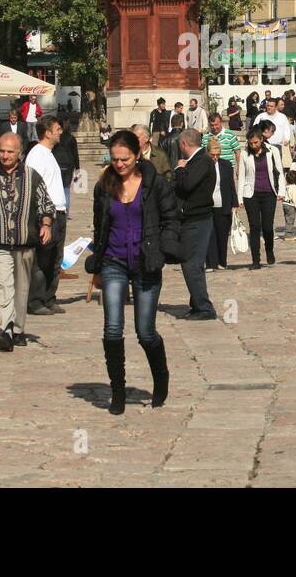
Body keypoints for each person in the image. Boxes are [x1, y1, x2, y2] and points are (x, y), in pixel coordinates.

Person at [86, 130, 180, 414]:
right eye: (114, 159)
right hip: (114, 260)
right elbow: (99, 225)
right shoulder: (104, 186)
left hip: (145, 261)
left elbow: (171, 218)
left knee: (145, 331)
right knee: (112, 328)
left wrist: (163, 247)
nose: (119, 164)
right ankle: (117, 390)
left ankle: (160, 377)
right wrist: (98, 262)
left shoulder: (154, 183)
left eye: (124, 158)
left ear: (137, 155)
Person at [0, 132, 55, 351]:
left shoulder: (32, 176)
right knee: (4, 286)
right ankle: (6, 330)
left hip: (25, 242)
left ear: (19, 153)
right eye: (1, 151)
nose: (5, 156)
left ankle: (18, 329)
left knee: (21, 288)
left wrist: (45, 224)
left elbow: (46, 204)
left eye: (10, 152)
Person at [25, 115, 69, 316]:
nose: (60, 132)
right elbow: (33, 187)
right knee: (43, 259)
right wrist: (44, 217)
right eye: (57, 129)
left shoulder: (50, 153)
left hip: (59, 212)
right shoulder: (37, 154)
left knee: (55, 259)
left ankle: (50, 297)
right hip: (47, 215)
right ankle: (35, 300)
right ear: (48, 132)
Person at [172, 129, 217, 319]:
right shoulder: (197, 161)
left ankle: (204, 308)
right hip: (191, 218)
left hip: (198, 220)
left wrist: (180, 169)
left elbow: (188, 184)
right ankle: (197, 302)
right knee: (191, 264)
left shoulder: (203, 161)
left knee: (192, 264)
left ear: (184, 144)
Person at [237, 127, 283, 269]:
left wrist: (281, 190)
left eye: (256, 142)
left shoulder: (272, 151)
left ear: (262, 139)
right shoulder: (245, 154)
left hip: (269, 192)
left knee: (268, 226)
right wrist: (239, 198)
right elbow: (242, 176)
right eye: (251, 143)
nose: (254, 146)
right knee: (254, 226)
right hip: (251, 194)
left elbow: (279, 172)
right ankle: (255, 259)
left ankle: (269, 250)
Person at [205, 136, 239, 271]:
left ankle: (222, 261)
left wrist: (234, 203)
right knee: (209, 235)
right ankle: (210, 263)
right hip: (207, 204)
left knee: (222, 234)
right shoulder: (203, 165)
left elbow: (231, 185)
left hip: (223, 204)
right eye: (212, 155)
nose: (215, 157)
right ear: (207, 153)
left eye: (217, 155)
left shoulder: (226, 165)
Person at [51, 119, 79, 218]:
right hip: (68, 165)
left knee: (57, 188)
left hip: (57, 163)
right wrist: (77, 168)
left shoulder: (56, 138)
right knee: (66, 189)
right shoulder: (72, 139)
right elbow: (75, 154)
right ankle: (66, 212)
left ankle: (58, 210)